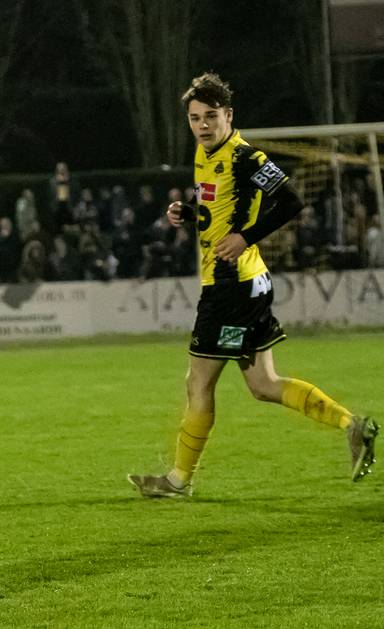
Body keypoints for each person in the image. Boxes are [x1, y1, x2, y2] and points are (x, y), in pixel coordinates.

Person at [129, 73, 377, 499]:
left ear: (229, 116)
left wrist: (246, 236)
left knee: (198, 384)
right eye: (195, 118)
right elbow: (220, 209)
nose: (203, 125)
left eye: (211, 117)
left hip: (232, 286)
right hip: (248, 282)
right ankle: (352, 425)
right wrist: (191, 213)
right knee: (263, 384)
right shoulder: (206, 153)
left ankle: (178, 481)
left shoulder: (246, 157)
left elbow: (293, 200)